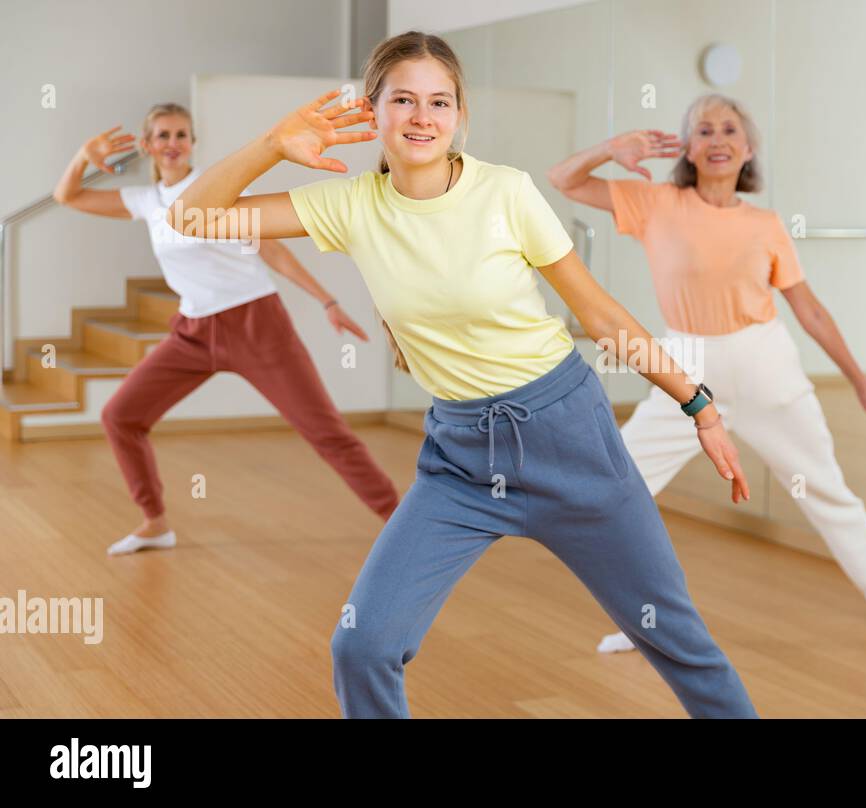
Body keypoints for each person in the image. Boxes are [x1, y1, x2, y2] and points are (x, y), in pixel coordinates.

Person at [173, 31, 759, 718]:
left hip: (570, 438)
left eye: (439, 102)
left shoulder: (506, 192)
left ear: (461, 117)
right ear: (373, 110)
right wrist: (272, 144)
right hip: (459, 459)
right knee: (360, 647)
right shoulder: (350, 205)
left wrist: (701, 410)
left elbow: (601, 317)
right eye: (403, 100)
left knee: (677, 640)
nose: (422, 117)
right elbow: (193, 216)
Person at [549, 94, 866, 652]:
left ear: (748, 148)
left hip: (766, 367)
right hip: (684, 370)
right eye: (703, 130)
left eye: (729, 130)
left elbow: (808, 309)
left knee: (826, 488)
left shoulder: (766, 224)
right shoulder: (655, 203)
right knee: (621, 484)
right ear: (687, 147)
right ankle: (639, 618)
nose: (716, 140)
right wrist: (611, 150)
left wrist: (860, 382)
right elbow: (562, 179)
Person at [52, 103, 399, 556]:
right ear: (147, 145)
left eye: (180, 135)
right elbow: (69, 196)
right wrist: (82, 155)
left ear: (193, 142)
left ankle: (399, 520)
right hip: (192, 331)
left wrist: (327, 300)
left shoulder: (212, 189)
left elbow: (271, 250)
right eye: (162, 135)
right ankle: (155, 523)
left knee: (327, 432)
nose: (172, 143)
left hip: (256, 322)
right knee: (120, 417)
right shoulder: (145, 200)